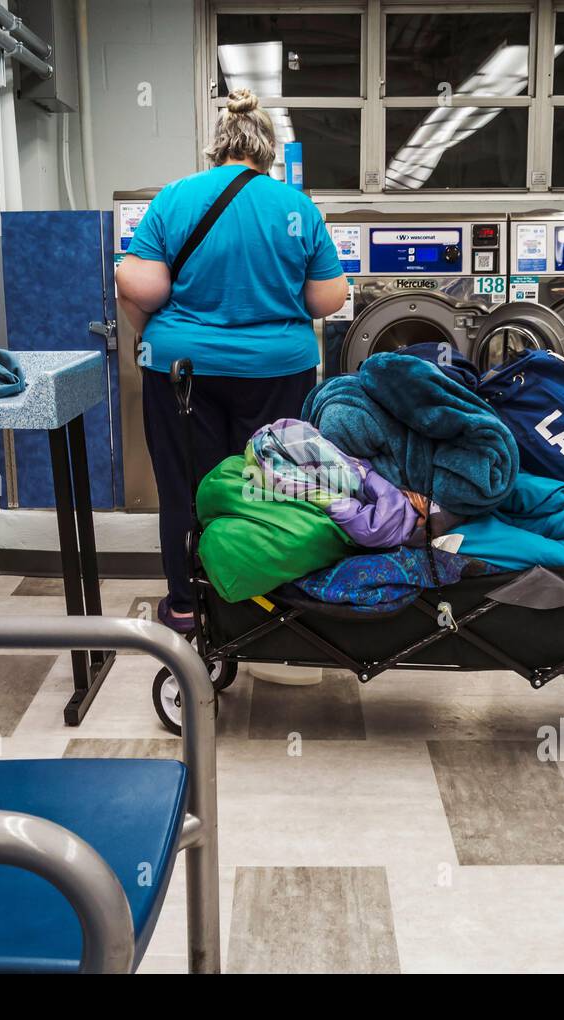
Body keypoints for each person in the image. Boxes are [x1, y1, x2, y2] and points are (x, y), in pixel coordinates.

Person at [116, 87, 348, 633]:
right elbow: (327, 299)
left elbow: (140, 286)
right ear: (268, 151)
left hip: (181, 371)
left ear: (217, 147)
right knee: (266, 482)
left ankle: (187, 605)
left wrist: (154, 334)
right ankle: (257, 603)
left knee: (186, 486)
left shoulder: (174, 197)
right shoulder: (296, 206)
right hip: (276, 372)